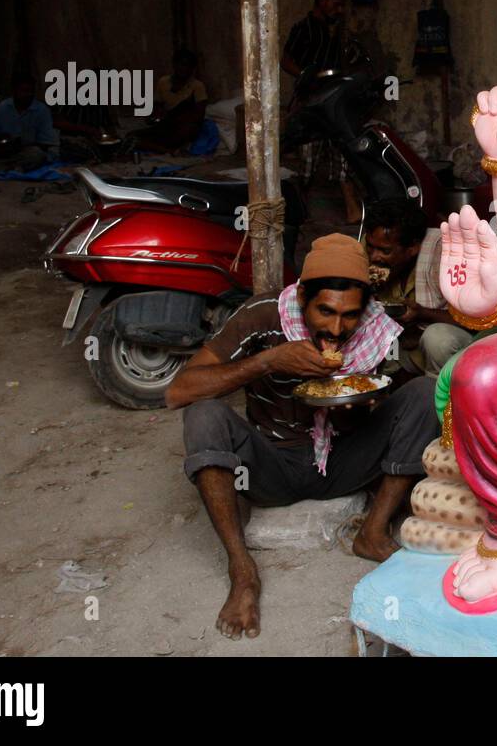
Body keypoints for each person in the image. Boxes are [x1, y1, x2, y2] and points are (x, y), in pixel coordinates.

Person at [166, 234, 440, 640]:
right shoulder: (262, 315)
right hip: (272, 468)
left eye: (349, 315)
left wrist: (365, 404)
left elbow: (395, 397)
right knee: (203, 413)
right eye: (325, 311)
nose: (336, 328)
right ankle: (242, 572)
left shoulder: (374, 326)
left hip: (346, 463)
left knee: (424, 391)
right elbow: (177, 391)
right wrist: (266, 361)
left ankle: (373, 532)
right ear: (302, 299)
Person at [365, 199, 473, 377]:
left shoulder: (446, 253)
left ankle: (436, 397)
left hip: (454, 350)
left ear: (413, 248)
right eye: (371, 247)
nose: (374, 257)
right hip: (406, 347)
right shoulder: (374, 243)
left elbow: (476, 320)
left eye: (385, 251)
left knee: (437, 338)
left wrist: (422, 313)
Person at [128, 47, 210, 154]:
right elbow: (157, 106)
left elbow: (199, 116)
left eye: (188, 65)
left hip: (183, 126)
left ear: (193, 69)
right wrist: (155, 117)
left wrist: (178, 117)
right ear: (174, 64)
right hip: (166, 124)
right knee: (131, 136)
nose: (184, 68)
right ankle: (169, 150)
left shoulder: (197, 86)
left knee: (186, 130)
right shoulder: (163, 82)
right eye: (181, 64)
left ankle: (163, 148)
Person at [281, 0, 350, 79]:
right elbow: (286, 62)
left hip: (332, 91)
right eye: (336, 5)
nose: (340, 10)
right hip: (309, 93)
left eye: (342, 6)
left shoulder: (333, 29)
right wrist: (307, 78)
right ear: (322, 1)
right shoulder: (304, 28)